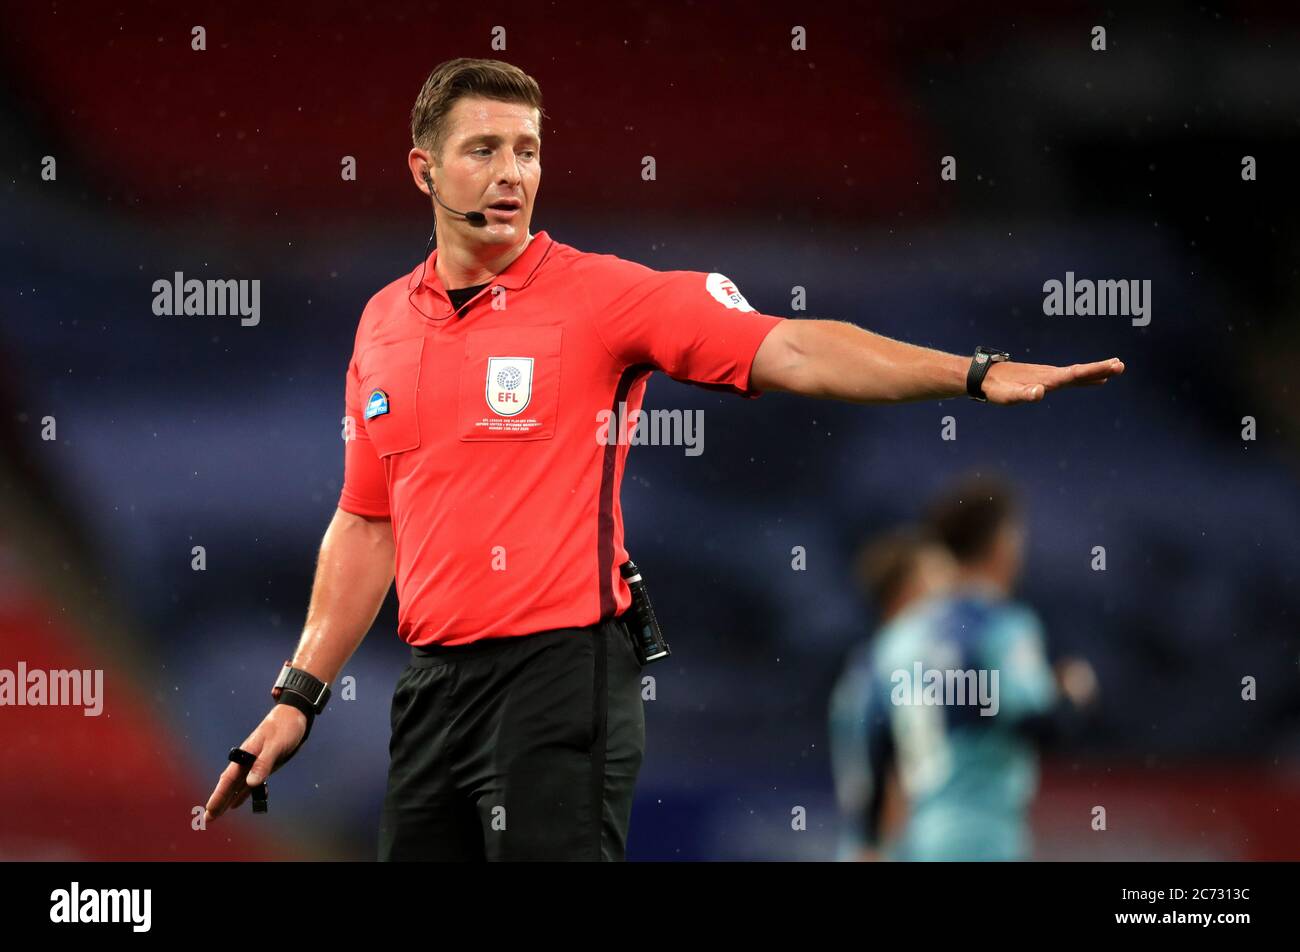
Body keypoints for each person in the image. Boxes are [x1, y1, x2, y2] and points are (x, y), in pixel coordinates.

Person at [203, 58, 1122, 861]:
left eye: (526, 149)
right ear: (423, 168)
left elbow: (793, 348)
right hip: (432, 688)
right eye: (483, 148)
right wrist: (297, 697)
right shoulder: (382, 324)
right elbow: (368, 522)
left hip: (560, 672)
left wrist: (971, 372)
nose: (512, 172)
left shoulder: (604, 297)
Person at [831, 476, 1097, 861]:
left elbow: (875, 746)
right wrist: (1074, 694)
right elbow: (1038, 723)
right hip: (982, 835)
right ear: (1003, 543)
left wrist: (868, 842)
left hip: (918, 838)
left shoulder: (899, 639)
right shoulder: (1001, 627)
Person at [829, 526, 957, 860]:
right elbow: (867, 773)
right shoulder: (879, 669)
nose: (951, 594)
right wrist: (870, 844)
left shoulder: (905, 666)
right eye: (938, 581)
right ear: (907, 592)